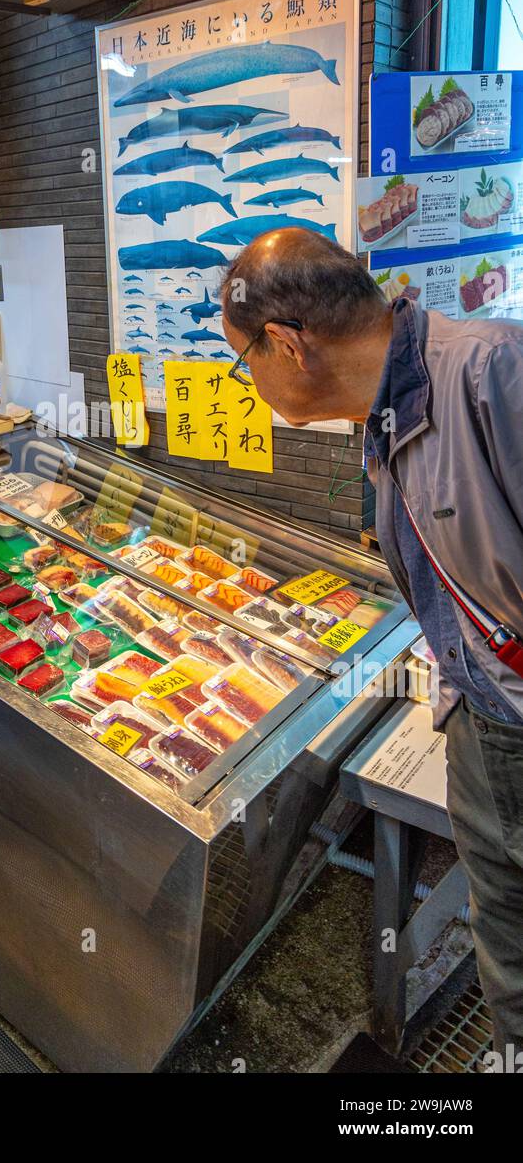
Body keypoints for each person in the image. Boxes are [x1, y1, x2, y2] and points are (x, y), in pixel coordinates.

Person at [219, 226, 523, 1059]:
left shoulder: (493, 369)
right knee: (509, 960)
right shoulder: (388, 409)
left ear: (286, 342)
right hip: (486, 717)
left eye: (243, 359)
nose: (249, 379)